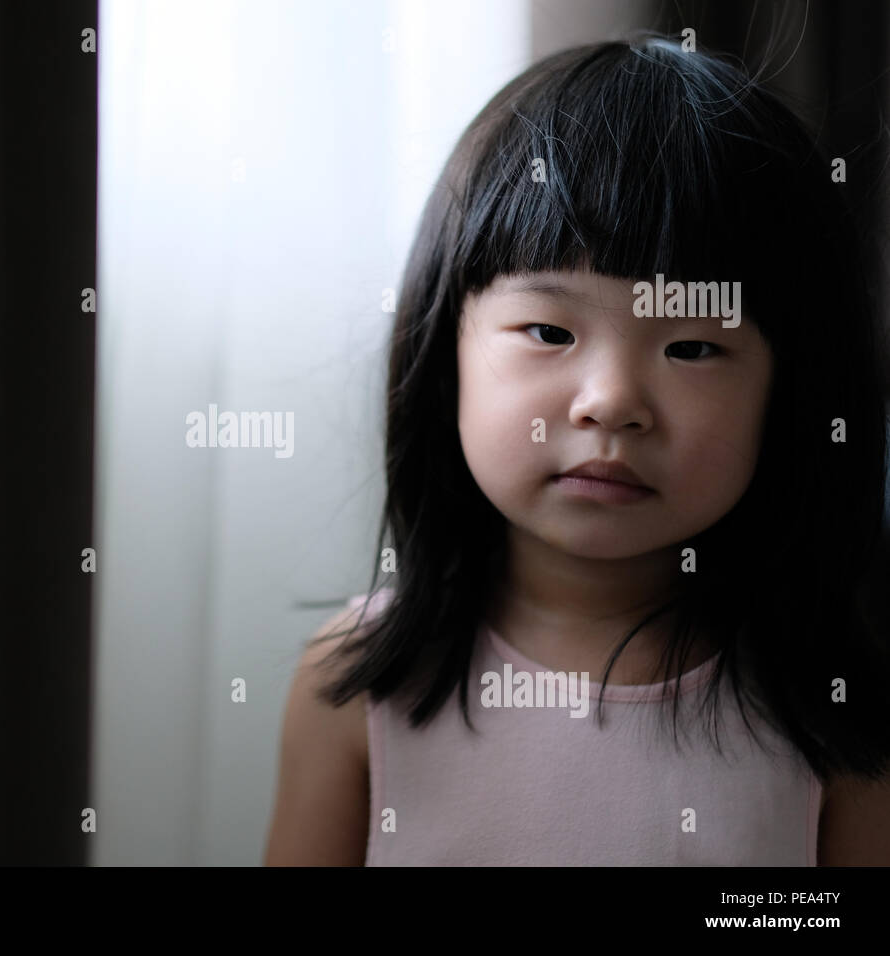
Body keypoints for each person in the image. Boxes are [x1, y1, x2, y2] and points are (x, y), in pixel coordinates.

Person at [264, 32, 890, 866]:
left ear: (791, 394)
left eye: (693, 347)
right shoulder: (360, 683)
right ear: (446, 349)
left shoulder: (835, 713)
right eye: (550, 329)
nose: (613, 402)